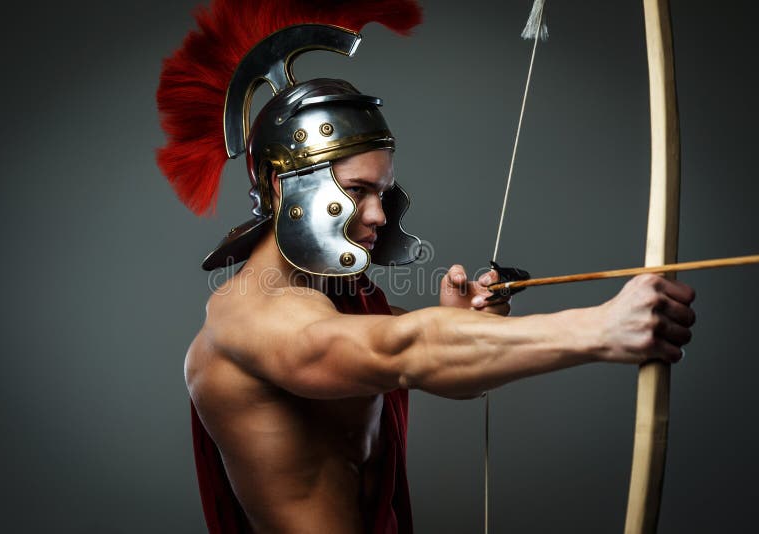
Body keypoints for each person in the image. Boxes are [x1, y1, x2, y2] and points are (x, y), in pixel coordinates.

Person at [156, 2, 695, 533]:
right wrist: (603, 327)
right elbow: (404, 352)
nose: (376, 215)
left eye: (382, 193)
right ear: (281, 186)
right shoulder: (250, 318)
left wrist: (463, 323)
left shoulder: (339, 306)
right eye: (358, 190)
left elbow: (440, 369)